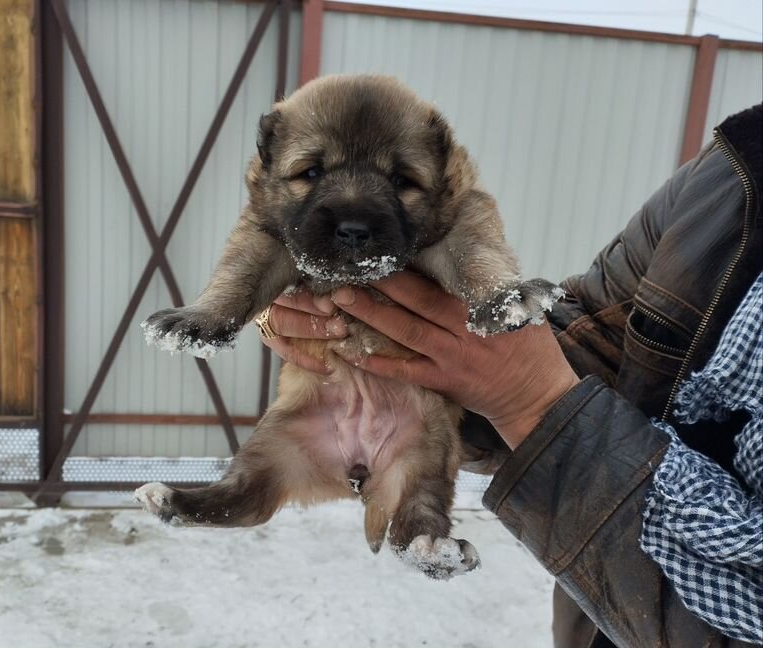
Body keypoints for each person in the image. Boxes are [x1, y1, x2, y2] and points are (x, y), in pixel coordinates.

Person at [257, 104, 763, 647]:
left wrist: (534, 402)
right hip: (592, 620)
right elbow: (595, 328)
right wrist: (367, 324)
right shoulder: (742, 162)